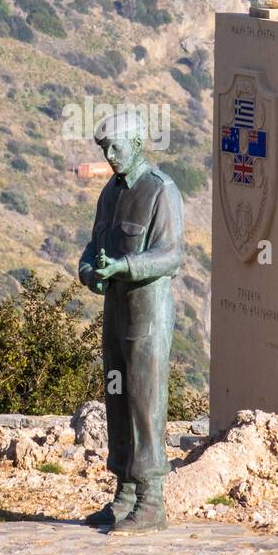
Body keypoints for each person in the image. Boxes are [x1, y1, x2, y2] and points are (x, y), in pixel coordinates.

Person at [78, 110, 184, 533]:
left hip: (148, 312)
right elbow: (95, 242)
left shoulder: (161, 191)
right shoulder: (110, 192)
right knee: (117, 397)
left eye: (116, 146)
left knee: (145, 400)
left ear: (137, 143)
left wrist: (124, 265)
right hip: (116, 309)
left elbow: (172, 255)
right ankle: (124, 492)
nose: (110, 155)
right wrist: (89, 269)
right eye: (104, 149)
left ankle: (152, 500)